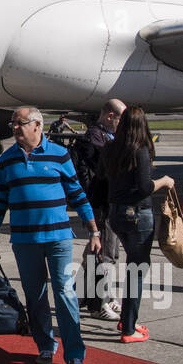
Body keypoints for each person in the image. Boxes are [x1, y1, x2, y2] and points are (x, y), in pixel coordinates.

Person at [0, 106, 100, 364]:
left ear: (37, 125)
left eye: (19, 123)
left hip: (58, 238)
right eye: (13, 124)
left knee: (64, 292)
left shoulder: (60, 155)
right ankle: (45, 346)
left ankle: (74, 353)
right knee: (35, 295)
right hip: (25, 240)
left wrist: (94, 230)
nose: (14, 128)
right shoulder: (7, 160)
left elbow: (77, 193)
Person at [102, 107, 174, 343]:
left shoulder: (111, 148)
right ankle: (128, 328)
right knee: (137, 270)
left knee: (132, 265)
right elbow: (144, 187)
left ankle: (127, 319)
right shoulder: (140, 150)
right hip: (137, 213)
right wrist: (163, 181)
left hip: (116, 213)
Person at [70, 99, 125, 320]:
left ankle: (82, 294)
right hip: (101, 204)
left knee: (98, 251)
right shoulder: (96, 139)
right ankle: (99, 302)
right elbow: (105, 171)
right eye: (122, 118)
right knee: (105, 253)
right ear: (111, 116)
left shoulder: (107, 137)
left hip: (107, 202)